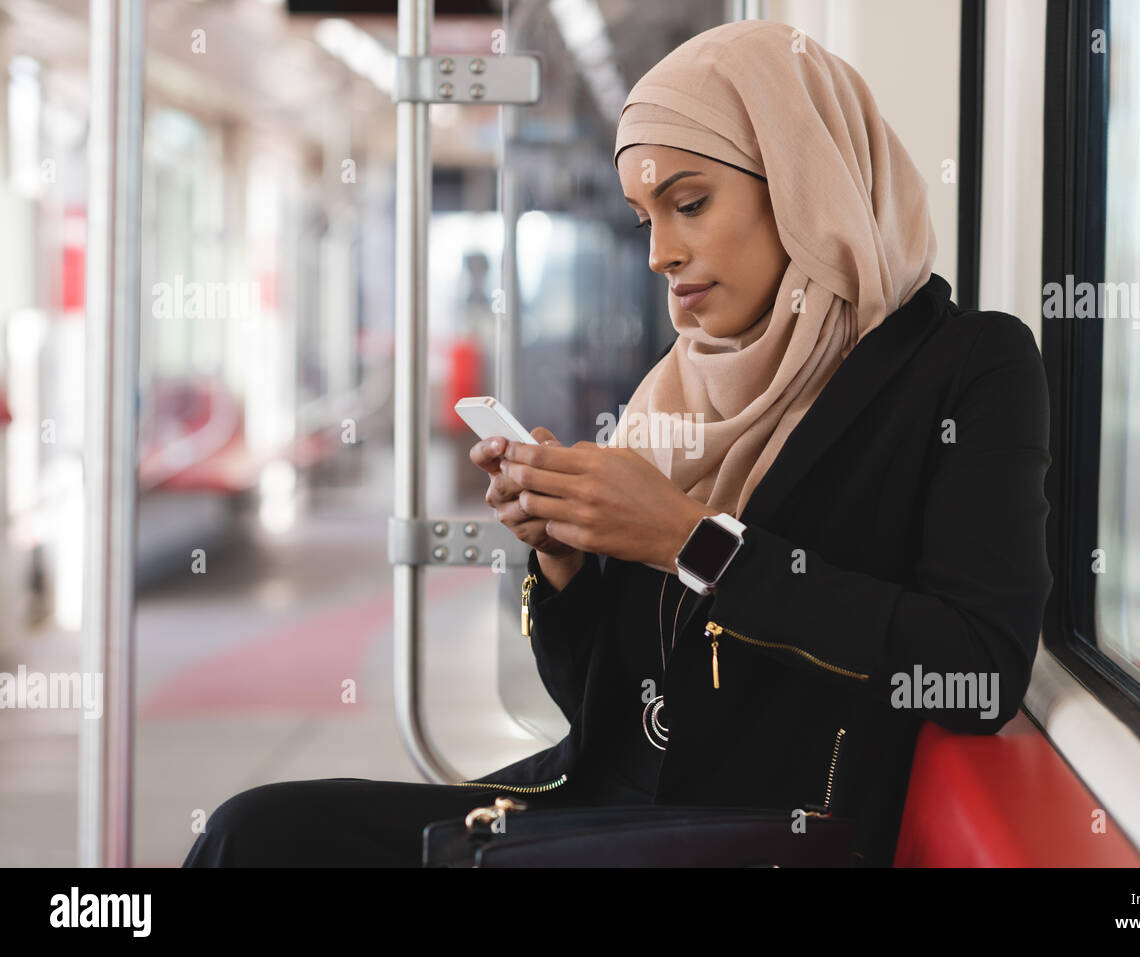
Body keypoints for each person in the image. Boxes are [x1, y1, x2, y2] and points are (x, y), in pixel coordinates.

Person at [184, 18, 1051, 868]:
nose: (659, 254)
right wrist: (561, 559)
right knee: (252, 832)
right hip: (602, 803)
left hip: (755, 836)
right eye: (645, 219)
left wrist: (688, 540)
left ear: (803, 181)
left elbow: (976, 665)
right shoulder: (678, 389)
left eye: (689, 203)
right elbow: (597, 712)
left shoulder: (967, 365)